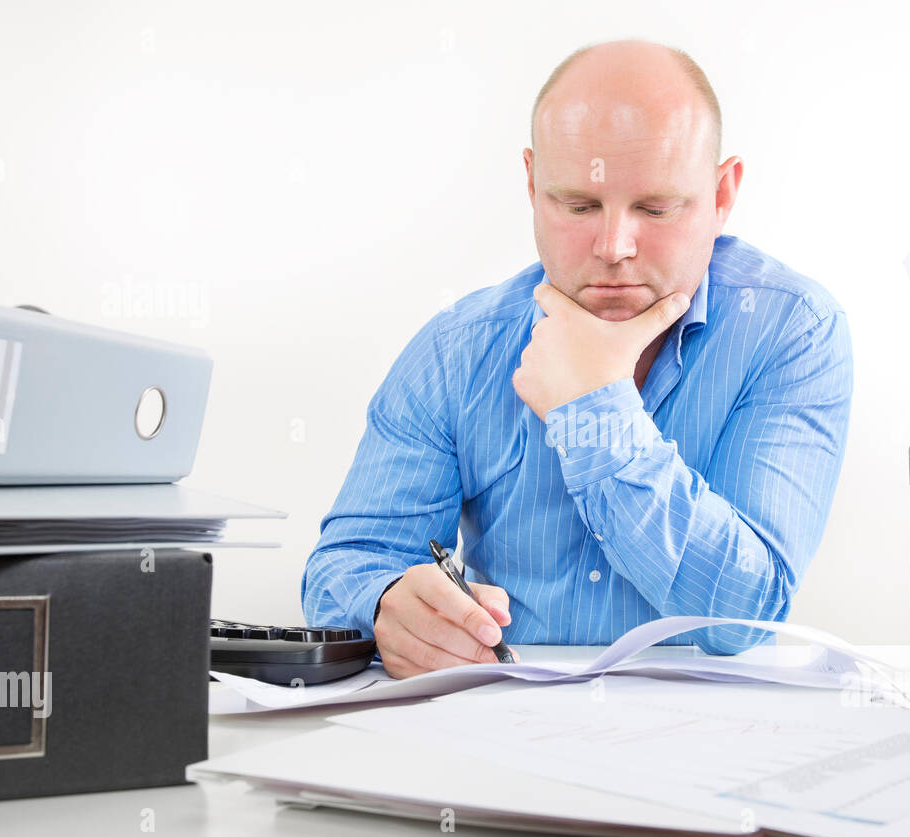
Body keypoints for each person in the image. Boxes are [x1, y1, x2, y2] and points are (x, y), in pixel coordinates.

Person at [302, 38, 852, 678]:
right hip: (503, 729)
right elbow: (344, 566)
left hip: (709, 742)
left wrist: (596, 409)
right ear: (533, 184)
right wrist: (387, 605)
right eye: (579, 205)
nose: (614, 246)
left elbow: (741, 615)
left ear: (723, 193)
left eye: (656, 206)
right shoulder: (455, 351)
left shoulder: (792, 331)